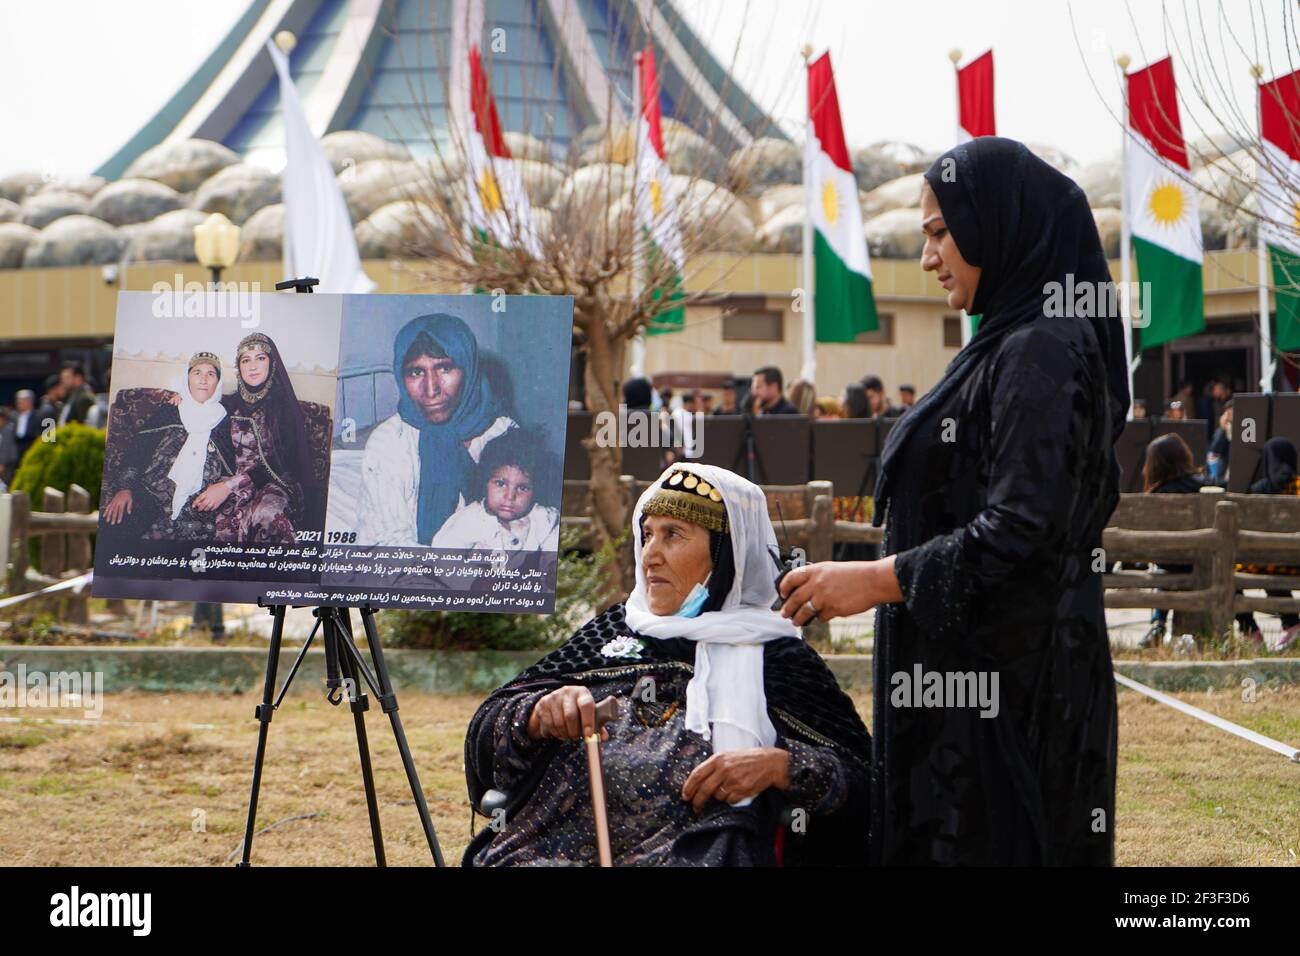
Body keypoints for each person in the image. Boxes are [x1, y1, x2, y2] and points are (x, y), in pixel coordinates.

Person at [776, 137, 1127, 865]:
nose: (929, 257)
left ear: (998, 223)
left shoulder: (1041, 349)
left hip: (1012, 707)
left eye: (941, 232)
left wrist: (872, 582)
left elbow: (1022, 531)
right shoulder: (1005, 342)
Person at [462, 462, 871, 866]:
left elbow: (867, 787)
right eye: (646, 536)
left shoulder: (779, 659)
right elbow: (486, 734)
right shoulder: (612, 631)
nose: (650, 556)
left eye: (673, 535)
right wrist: (537, 714)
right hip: (544, 852)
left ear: (726, 553)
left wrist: (784, 765)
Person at [358, 314, 515, 547]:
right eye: (416, 372)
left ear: (469, 369)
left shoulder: (504, 433)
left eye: (444, 368)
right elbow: (388, 546)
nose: (431, 389)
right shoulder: (390, 442)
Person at [101, 352, 236, 541]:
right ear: (187, 378)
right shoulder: (170, 410)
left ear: (218, 383)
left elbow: (236, 464)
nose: (203, 379)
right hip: (152, 491)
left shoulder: (225, 420)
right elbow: (139, 448)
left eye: (211, 374)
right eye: (197, 372)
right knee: (117, 530)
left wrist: (224, 485)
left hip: (199, 500)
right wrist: (125, 488)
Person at [216, 333, 318, 543]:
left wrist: (230, 485)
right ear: (239, 367)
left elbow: (281, 460)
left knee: (266, 513)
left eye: (260, 358)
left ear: (271, 364)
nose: (252, 366)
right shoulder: (227, 405)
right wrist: (183, 397)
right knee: (221, 522)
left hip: (276, 481)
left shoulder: (284, 407)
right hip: (236, 484)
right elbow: (200, 404)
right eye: (246, 360)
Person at [432, 429, 559, 552]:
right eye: (501, 484)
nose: (510, 496)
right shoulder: (470, 520)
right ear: (484, 482)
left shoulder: (544, 519)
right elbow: (442, 555)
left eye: (522, 488)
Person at [1139, 433, 1206, 648]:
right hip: (1202, 559)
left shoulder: (1156, 495)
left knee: (1165, 568)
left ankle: (1158, 623)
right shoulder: (1206, 486)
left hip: (1168, 560)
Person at [1233, 437, 1300, 650]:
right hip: (1295, 562)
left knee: (1232, 573)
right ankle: (1291, 624)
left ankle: (1250, 630)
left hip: (1265, 562)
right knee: (1274, 567)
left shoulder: (1259, 489)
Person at [1206, 401, 1232, 484]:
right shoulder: (1223, 429)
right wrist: (1223, 428)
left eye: (1231, 414)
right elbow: (1215, 449)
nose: (1229, 417)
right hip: (1224, 468)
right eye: (1227, 414)